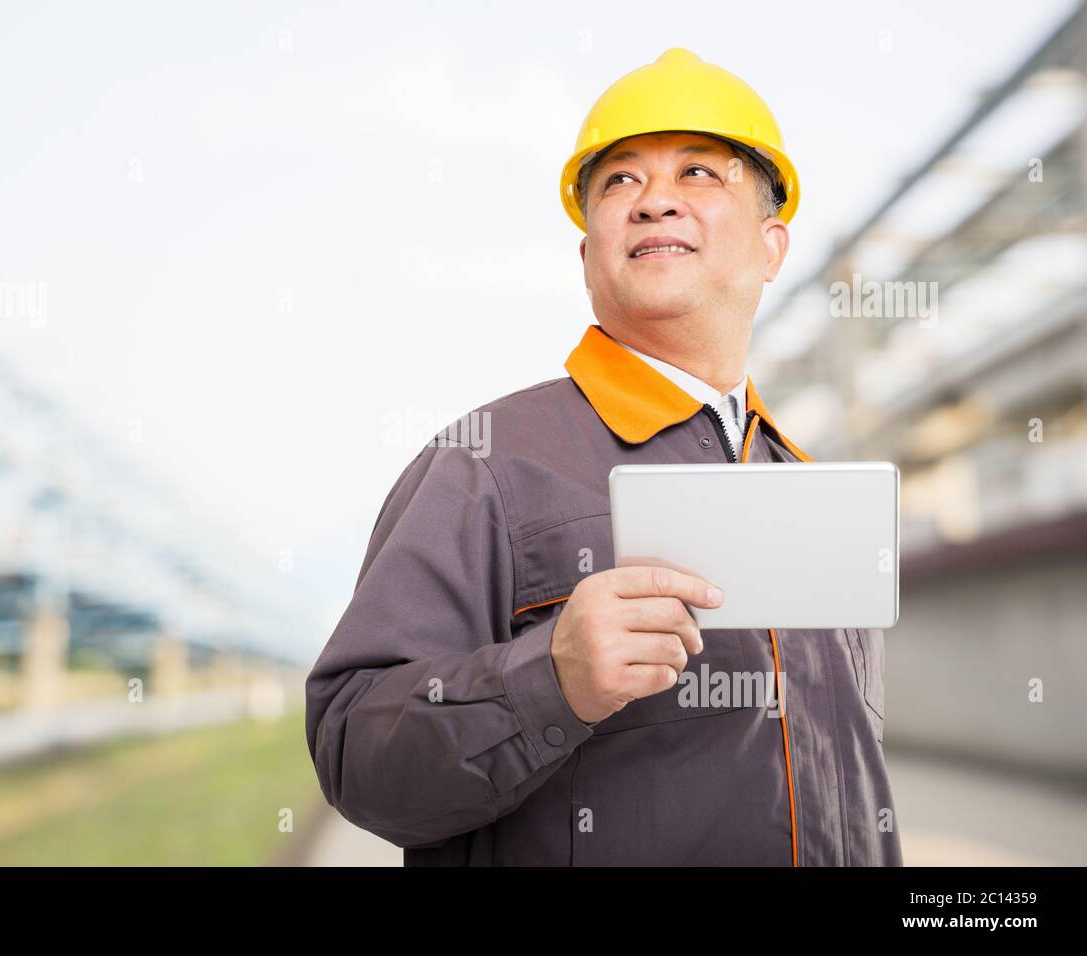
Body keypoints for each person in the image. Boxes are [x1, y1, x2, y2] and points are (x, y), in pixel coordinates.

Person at [305, 48, 901, 866]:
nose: (655, 200)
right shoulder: (485, 466)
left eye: (699, 172)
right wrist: (548, 680)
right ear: (589, 260)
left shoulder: (813, 490)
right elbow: (352, 751)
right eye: (619, 182)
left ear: (772, 248)